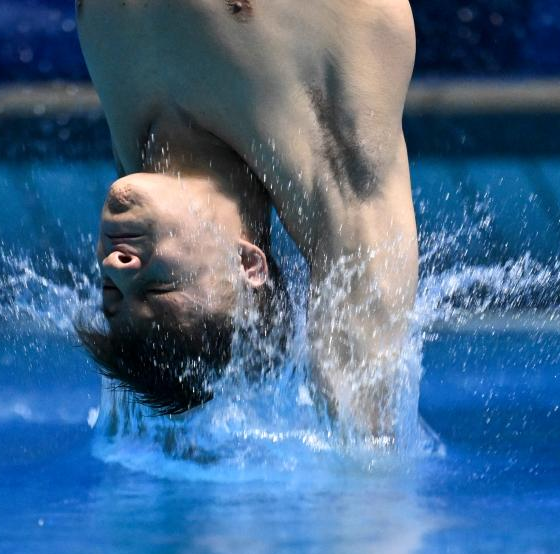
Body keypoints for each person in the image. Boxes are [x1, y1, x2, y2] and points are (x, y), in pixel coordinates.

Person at [75, 0, 418, 434]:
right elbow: (362, 405)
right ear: (245, 263)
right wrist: (358, 431)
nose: (114, 264)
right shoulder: (333, 157)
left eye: (110, 291)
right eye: (157, 287)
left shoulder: (135, 142)